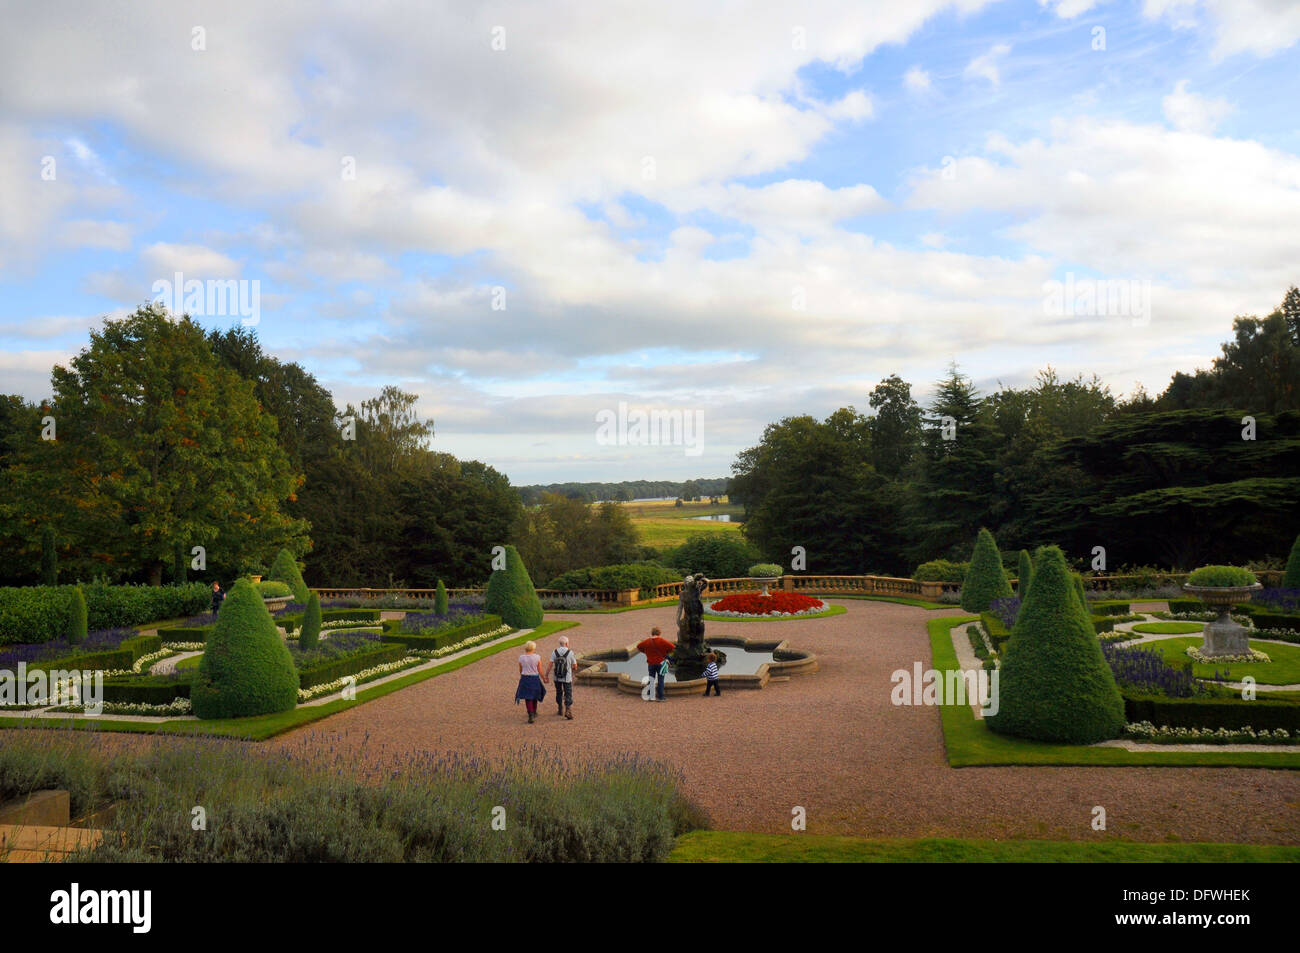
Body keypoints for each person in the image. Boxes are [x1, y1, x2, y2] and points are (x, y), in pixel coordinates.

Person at [636, 627, 675, 701]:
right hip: (661, 663)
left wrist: (646, 652)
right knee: (661, 680)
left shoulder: (647, 641)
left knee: (651, 679)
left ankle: (651, 696)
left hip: (651, 663)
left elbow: (638, 646)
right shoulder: (661, 640)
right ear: (659, 633)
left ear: (652, 633)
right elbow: (672, 647)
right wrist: (665, 652)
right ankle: (661, 697)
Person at [543, 635, 576, 720]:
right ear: (567, 643)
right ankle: (568, 709)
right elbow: (575, 666)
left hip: (557, 677)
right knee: (568, 692)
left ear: (560, 643)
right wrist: (571, 670)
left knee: (558, 692)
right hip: (567, 677)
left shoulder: (555, 652)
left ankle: (560, 707)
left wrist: (546, 675)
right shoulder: (570, 652)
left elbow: (550, 664)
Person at [514, 640, 547, 723]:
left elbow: (520, 669)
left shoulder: (521, 657)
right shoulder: (537, 657)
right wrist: (544, 677)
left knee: (528, 697)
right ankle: (534, 711)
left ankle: (530, 713)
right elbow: (539, 669)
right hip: (534, 678)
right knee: (535, 695)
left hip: (525, 678)